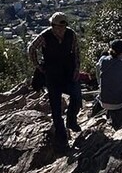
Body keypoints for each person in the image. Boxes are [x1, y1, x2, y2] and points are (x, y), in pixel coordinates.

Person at [27, 11, 82, 144]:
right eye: (57, 26)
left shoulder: (71, 34)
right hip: (52, 74)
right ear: (52, 25)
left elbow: (76, 52)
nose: (60, 29)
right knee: (56, 107)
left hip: (68, 71)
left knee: (77, 96)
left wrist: (76, 69)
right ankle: (61, 135)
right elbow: (31, 48)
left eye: (62, 26)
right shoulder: (45, 36)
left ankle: (71, 120)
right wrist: (38, 66)